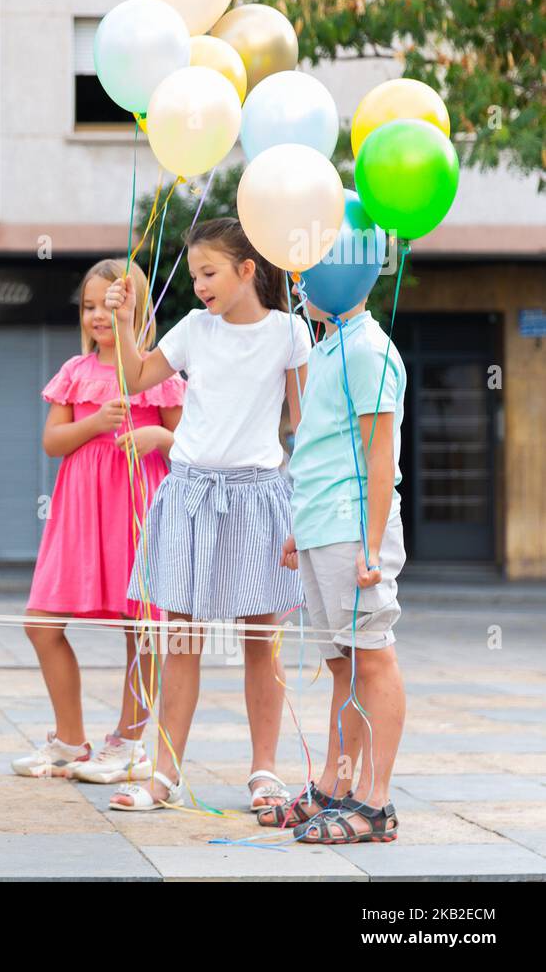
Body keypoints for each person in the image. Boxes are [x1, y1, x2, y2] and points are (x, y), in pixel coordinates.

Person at [104, 217, 310, 811]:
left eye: (209, 272)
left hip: (258, 494)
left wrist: (306, 511)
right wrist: (122, 325)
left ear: (248, 271)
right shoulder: (195, 328)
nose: (198, 285)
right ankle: (164, 775)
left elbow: (305, 427)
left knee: (260, 640)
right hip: (190, 493)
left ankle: (265, 772)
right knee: (181, 638)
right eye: (193, 274)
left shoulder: (289, 334)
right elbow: (139, 376)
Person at [13, 258, 184, 783]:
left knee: (143, 628)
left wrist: (155, 436)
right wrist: (94, 423)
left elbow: (191, 446)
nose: (98, 315)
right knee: (40, 622)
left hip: (139, 506)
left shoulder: (158, 370)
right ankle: (69, 740)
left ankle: (129, 741)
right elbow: (52, 442)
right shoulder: (74, 372)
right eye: (89, 305)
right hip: (79, 511)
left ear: (136, 307)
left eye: (109, 304)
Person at [260, 289, 407, 843]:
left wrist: (370, 544)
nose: (300, 290)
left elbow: (378, 453)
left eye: (312, 275)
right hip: (324, 527)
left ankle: (375, 803)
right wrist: (303, 523)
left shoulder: (368, 349)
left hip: (354, 531)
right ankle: (334, 786)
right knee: (344, 666)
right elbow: (324, 448)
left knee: (372, 658)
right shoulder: (327, 349)